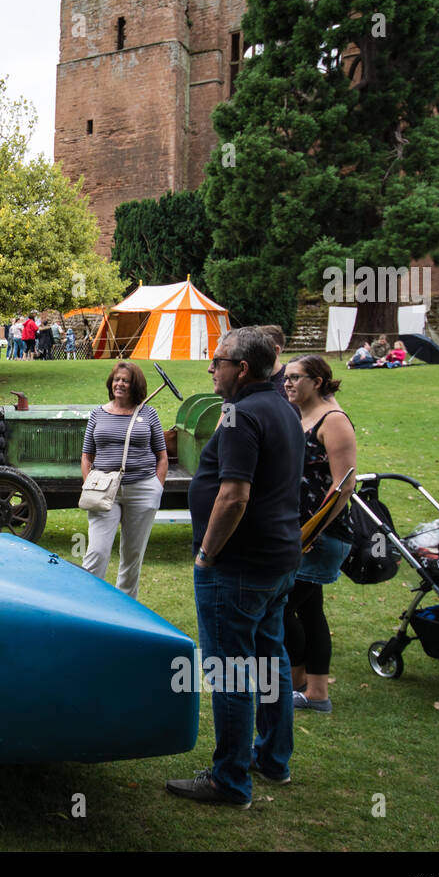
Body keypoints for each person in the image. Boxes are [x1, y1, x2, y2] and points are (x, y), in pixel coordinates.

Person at [167, 326, 303, 808]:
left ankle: (230, 780)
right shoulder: (284, 407)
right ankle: (272, 759)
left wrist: (207, 552)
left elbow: (235, 494)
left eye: (217, 361)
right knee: (270, 661)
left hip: (239, 567)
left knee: (230, 671)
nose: (210, 368)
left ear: (241, 369)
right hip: (278, 561)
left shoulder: (240, 416)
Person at [282, 355, 356, 714]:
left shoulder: (334, 420)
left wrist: (312, 532)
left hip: (321, 536)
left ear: (318, 381)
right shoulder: (300, 415)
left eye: (296, 378)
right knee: (309, 612)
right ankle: (312, 691)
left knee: (279, 608)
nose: (288, 383)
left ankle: (305, 687)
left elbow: (344, 487)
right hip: (300, 533)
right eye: (286, 377)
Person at [81, 362, 168, 598]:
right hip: (104, 491)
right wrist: (89, 484)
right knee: (96, 552)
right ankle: (87, 605)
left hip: (142, 489)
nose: (120, 384)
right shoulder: (98, 413)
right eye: (117, 379)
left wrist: (156, 487)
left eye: (126, 380)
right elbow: (87, 455)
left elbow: (162, 455)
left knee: (132, 555)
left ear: (135, 385)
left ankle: (125, 610)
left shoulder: (149, 414)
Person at [258, 325, 290, 401]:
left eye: (258, 349)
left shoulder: (292, 381)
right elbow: (228, 410)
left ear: (276, 350)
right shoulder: (245, 379)